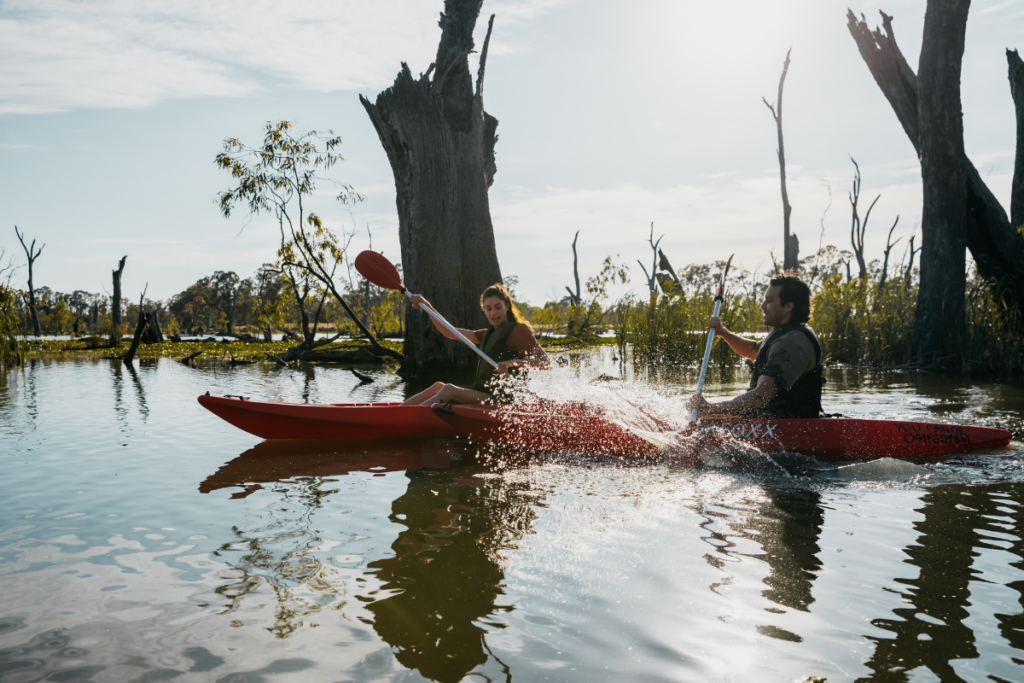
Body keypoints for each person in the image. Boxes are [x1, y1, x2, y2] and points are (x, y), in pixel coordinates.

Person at [685, 274, 824, 419]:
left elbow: (760, 397)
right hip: (768, 419)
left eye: (769, 301)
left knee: (707, 411)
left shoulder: (790, 343)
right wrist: (723, 333)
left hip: (787, 426)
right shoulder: (785, 334)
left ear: (788, 306)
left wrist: (709, 408)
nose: (762, 306)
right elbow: (752, 351)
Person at [401, 283, 550, 406]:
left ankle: (408, 420)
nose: (493, 313)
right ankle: (396, 414)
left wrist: (514, 362)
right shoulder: (486, 334)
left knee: (448, 390)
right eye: (488, 308)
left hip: (506, 400)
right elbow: (449, 331)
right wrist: (427, 305)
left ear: (507, 306)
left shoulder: (518, 330)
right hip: (485, 395)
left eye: (498, 307)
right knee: (438, 386)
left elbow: (546, 363)